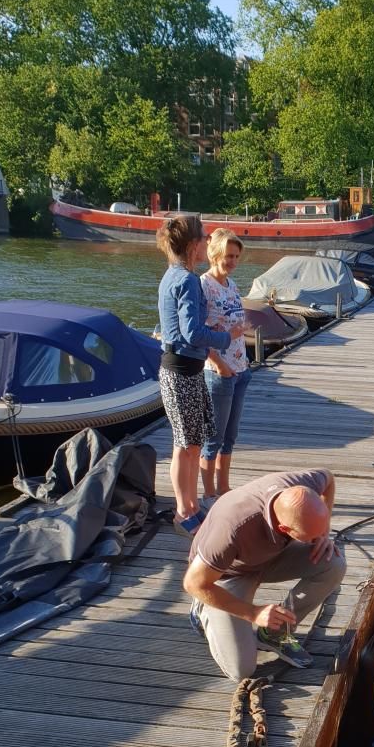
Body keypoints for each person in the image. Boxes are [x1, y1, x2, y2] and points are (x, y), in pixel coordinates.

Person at [182, 468, 346, 676]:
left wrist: (323, 533)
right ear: (285, 529)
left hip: (270, 556)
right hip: (227, 574)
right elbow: (193, 583)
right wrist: (253, 613)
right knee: (241, 669)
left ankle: (274, 633)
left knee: (333, 563)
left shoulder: (301, 484)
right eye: (309, 535)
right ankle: (201, 609)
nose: (315, 539)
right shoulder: (231, 529)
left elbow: (329, 477)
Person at [156, 215, 234, 537]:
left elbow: (183, 329)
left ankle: (189, 506)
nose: (207, 241)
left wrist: (207, 331)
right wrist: (222, 337)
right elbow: (190, 333)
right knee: (184, 445)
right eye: (203, 237)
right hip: (181, 372)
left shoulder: (175, 275)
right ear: (192, 246)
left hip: (185, 370)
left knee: (192, 444)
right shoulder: (187, 280)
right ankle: (183, 511)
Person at [200, 230, 252, 504]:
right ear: (215, 254)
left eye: (236, 257)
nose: (232, 261)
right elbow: (199, 333)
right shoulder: (204, 286)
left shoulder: (231, 284)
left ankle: (224, 488)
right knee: (213, 438)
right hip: (219, 372)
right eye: (228, 256)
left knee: (230, 437)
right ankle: (208, 494)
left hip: (240, 367)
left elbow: (233, 322)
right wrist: (219, 365)